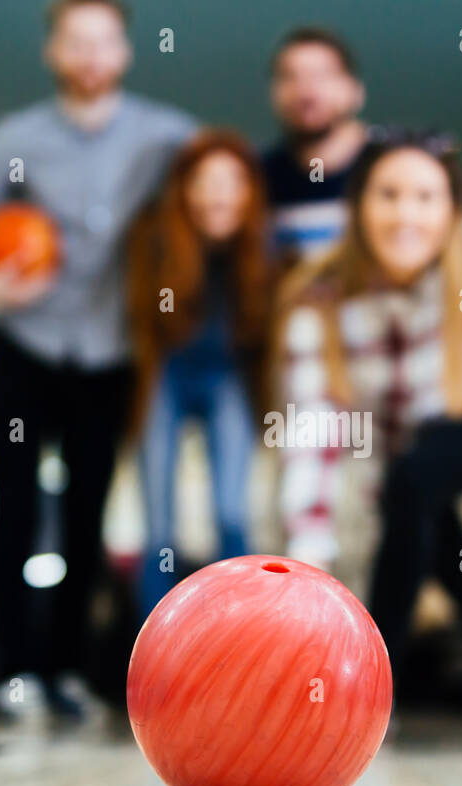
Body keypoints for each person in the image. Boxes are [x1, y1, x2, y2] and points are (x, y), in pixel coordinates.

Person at [0, 0, 196, 718]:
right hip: (27, 345)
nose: (89, 56)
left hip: (112, 353)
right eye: (74, 42)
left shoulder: (167, 135)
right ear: (54, 52)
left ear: (124, 52)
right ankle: (13, 671)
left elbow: (219, 188)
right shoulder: (14, 138)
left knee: (88, 513)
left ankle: (66, 673)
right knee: (15, 508)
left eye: (102, 42)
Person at [276, 128, 462, 714]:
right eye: (389, 195)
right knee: (438, 534)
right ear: (358, 208)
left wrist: (396, 473)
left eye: (427, 198)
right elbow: (312, 432)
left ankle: (377, 685)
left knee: (411, 488)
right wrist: (308, 558)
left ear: (451, 210)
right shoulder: (317, 299)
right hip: (399, 447)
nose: (407, 214)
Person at [126, 131, 273, 619]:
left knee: (231, 513)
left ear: (250, 190)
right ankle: (156, 653)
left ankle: (236, 636)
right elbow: (137, 324)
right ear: (184, 189)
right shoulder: (155, 239)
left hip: (226, 378)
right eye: (206, 182)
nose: (219, 194)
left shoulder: (261, 249)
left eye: (233, 182)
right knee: (158, 524)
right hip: (166, 376)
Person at [261, 27, 368, 266]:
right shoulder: (258, 178)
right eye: (290, 77)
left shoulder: (395, 166)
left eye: (322, 76)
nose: (306, 92)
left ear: (355, 91)